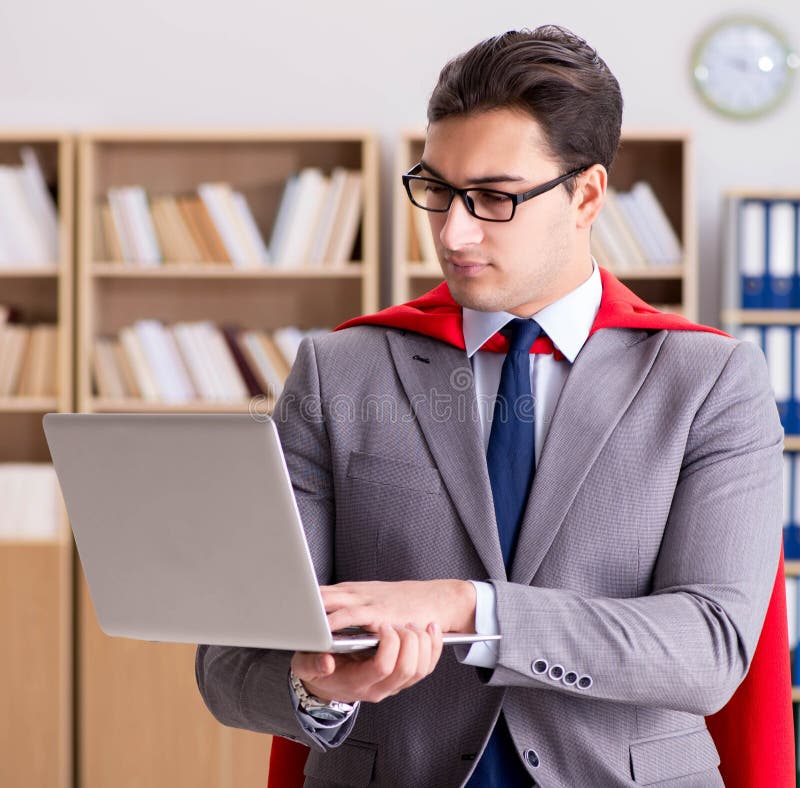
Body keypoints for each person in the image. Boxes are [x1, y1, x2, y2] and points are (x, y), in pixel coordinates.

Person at [196, 25, 791, 787]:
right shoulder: (337, 372)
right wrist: (313, 691)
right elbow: (229, 663)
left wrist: (469, 608)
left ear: (587, 195)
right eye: (437, 191)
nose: (454, 230)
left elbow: (708, 646)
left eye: (494, 198)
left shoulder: (709, 381)